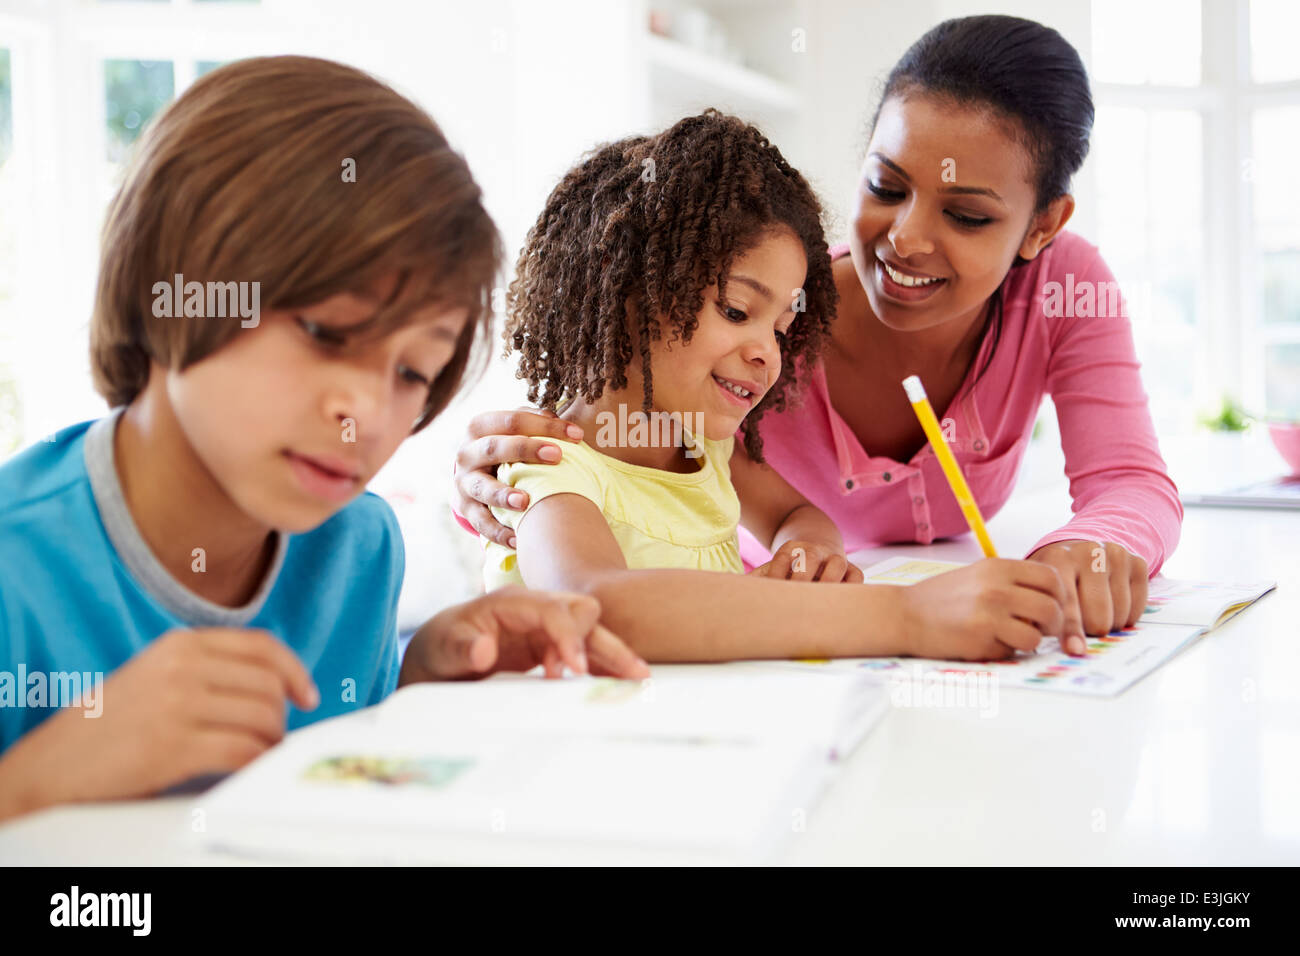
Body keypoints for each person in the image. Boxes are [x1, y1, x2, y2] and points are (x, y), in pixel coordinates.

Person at [0, 55, 646, 823]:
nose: (366, 414)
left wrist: (420, 684)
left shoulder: (361, 549)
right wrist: (39, 778)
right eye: (325, 332)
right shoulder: (18, 566)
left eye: (412, 371)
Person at [454, 15, 1181, 647]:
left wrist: (1092, 546)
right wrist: (900, 617)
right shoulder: (718, 363)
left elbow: (1128, 481)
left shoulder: (1062, 287)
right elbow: (599, 507)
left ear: (1044, 225)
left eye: (966, 215)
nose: (906, 240)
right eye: (886, 187)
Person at [473, 109, 1071, 664]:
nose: (768, 354)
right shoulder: (551, 467)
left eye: (783, 329)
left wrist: (806, 553)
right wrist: (903, 616)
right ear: (627, 292)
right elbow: (598, 607)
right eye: (737, 311)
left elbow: (798, 514)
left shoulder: (703, 449)